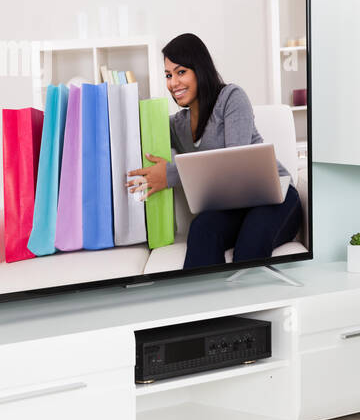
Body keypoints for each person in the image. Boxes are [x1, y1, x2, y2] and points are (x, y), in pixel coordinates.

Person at [126, 33, 302, 267]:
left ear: (199, 69)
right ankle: (200, 300)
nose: (173, 83)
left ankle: (247, 303)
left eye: (181, 72)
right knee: (201, 229)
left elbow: (234, 164)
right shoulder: (178, 124)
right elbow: (140, 128)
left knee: (251, 243)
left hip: (274, 198)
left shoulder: (231, 97)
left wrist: (168, 175)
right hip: (233, 208)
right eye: (168, 75)